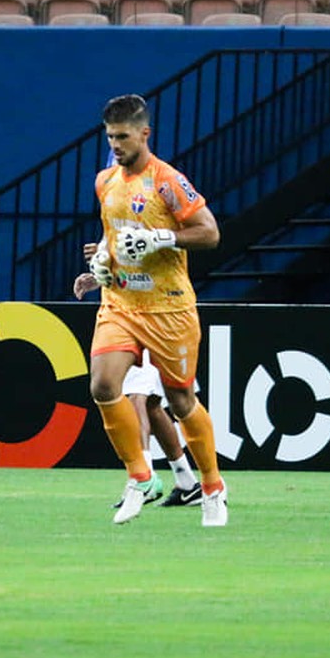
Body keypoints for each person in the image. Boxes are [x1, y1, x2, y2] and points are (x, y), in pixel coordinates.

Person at [83, 94, 228, 526]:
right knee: (104, 386)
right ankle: (141, 478)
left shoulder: (167, 180)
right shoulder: (105, 181)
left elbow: (210, 233)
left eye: (123, 137)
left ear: (145, 134)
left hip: (168, 308)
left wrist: (161, 239)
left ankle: (213, 487)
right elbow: (114, 235)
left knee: (181, 400)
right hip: (122, 303)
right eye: (110, 137)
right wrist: (100, 266)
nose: (116, 145)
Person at [74, 277, 202, 509]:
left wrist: (109, 264)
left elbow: (143, 266)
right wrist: (100, 272)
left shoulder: (154, 244)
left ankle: (145, 478)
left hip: (142, 317)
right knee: (153, 405)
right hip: (149, 317)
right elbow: (129, 263)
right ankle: (187, 483)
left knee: (136, 397)